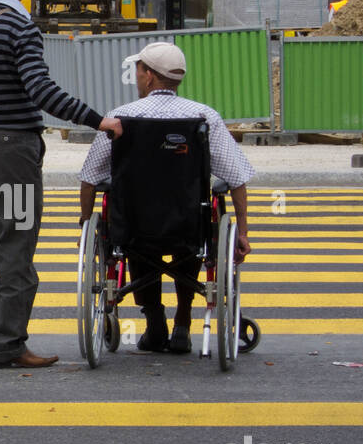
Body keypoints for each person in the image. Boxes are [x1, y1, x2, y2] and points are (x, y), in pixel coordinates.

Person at [0, 0, 123, 369]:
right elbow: (40, 89)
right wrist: (96, 120)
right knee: (15, 245)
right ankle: (8, 345)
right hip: (12, 150)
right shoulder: (20, 25)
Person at [77, 42, 254, 354]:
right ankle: (183, 322)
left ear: (148, 77)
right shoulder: (204, 117)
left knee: (134, 233)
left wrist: (85, 222)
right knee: (192, 234)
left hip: (134, 225)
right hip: (188, 223)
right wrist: (242, 232)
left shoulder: (120, 118)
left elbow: (90, 178)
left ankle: (154, 321)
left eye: (138, 71)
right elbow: (238, 179)